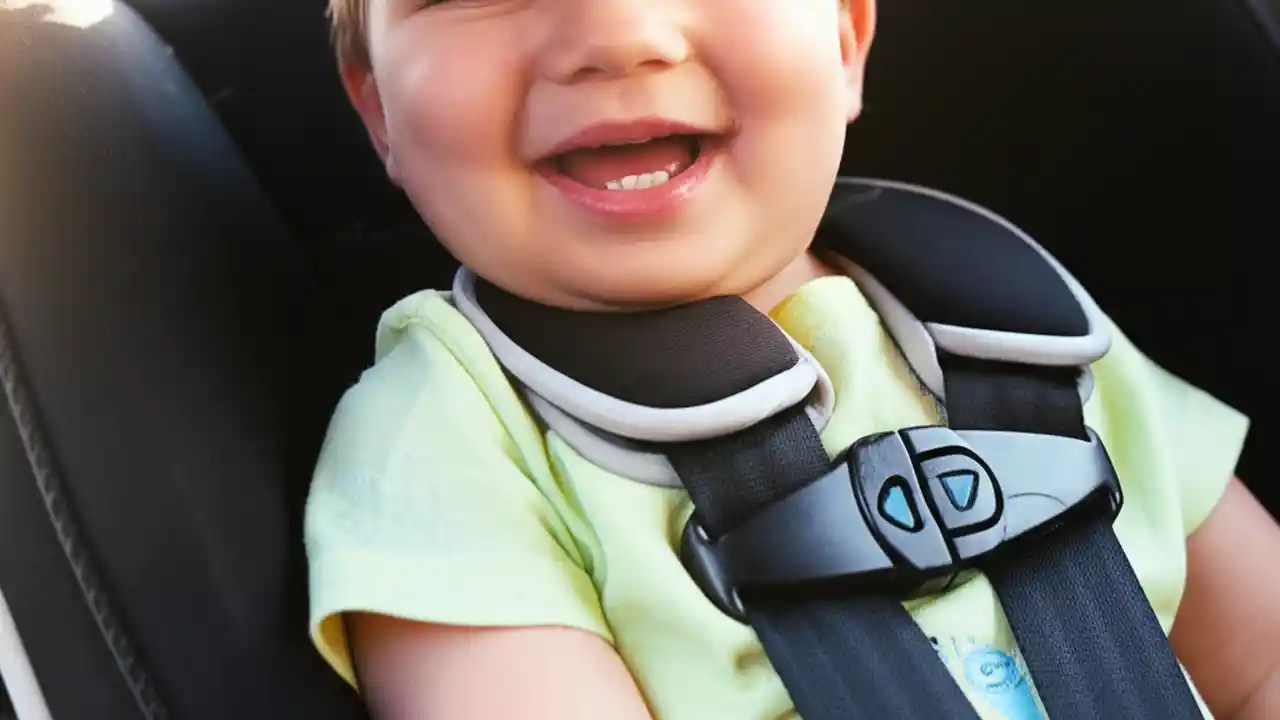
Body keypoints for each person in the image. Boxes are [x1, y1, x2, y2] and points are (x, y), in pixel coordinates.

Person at [302, 0, 1280, 717]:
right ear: (377, 106)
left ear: (847, 35)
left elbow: (1258, 665)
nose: (615, 33)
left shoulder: (1015, 325)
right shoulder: (446, 439)